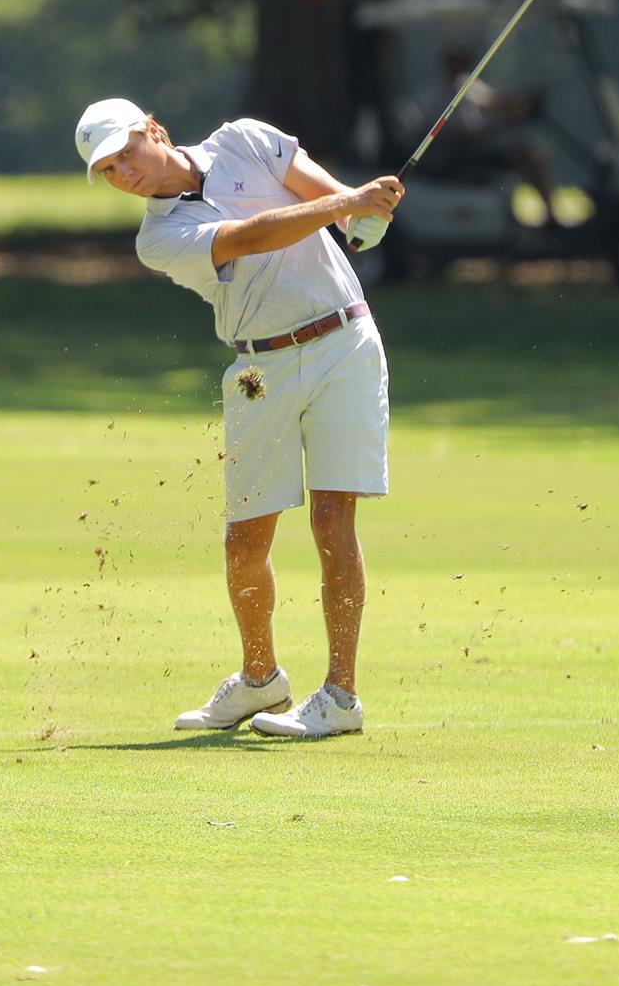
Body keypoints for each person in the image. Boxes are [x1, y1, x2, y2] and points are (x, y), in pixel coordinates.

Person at [73, 97, 403, 738]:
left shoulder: (245, 140)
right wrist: (347, 207)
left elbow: (328, 192)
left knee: (333, 518)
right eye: (109, 170)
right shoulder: (158, 239)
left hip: (345, 340)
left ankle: (340, 696)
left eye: (126, 153)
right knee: (245, 540)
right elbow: (251, 238)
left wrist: (366, 213)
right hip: (259, 369)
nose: (124, 173)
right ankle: (261, 681)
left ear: (155, 131)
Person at [433, 45, 563, 225]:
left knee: (530, 152)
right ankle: (551, 215)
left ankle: (550, 214)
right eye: (459, 59)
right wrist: (489, 130)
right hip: (459, 156)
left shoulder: (469, 83)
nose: (465, 63)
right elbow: (455, 135)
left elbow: (497, 105)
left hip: (480, 149)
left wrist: (526, 101)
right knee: (522, 154)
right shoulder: (438, 93)